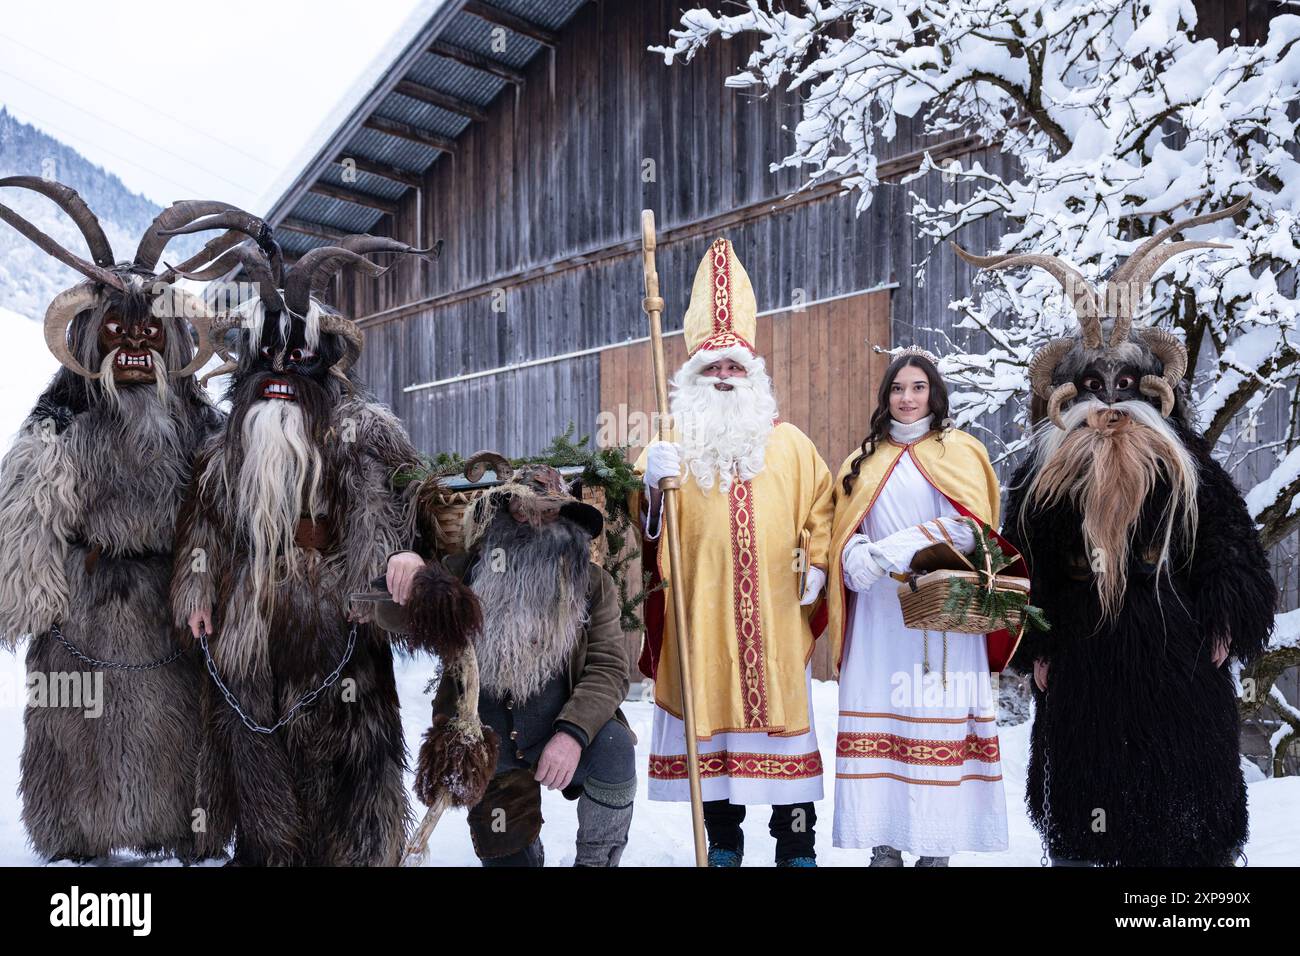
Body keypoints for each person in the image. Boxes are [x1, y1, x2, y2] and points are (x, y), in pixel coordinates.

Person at [954, 202, 1277, 866]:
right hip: (1083, 670)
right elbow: (1019, 566)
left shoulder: (1191, 468)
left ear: (1150, 385)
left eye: (1123, 383)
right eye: (1093, 384)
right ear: (1067, 391)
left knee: (1185, 824)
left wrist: (1225, 620)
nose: (1108, 399)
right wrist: (1031, 645)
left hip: (1176, 664)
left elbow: (1232, 551)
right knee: (1091, 822)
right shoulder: (1038, 481)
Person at [172, 234, 468, 865]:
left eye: (296, 358)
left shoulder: (363, 431)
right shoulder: (224, 450)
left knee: (350, 759)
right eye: (267, 359)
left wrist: (395, 562)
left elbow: (393, 508)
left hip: (337, 624)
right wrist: (196, 590)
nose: (280, 373)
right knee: (258, 760)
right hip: (250, 624)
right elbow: (204, 529)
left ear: (324, 363)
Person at [0, 180, 229, 862]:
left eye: (148, 328)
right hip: (83, 605)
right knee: (73, 724)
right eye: (118, 328)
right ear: (90, 335)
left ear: (173, 337)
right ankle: (77, 844)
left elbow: (225, 499)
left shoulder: (196, 419)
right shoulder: (64, 411)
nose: (134, 340)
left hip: (171, 608)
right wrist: (31, 585)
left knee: (175, 727)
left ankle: (175, 833)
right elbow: (26, 500)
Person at [633, 237, 834, 867]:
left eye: (734, 368)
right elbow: (639, 532)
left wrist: (819, 563)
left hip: (776, 618)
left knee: (786, 738)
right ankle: (721, 843)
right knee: (711, 729)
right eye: (712, 368)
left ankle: (796, 846)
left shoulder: (794, 445)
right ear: (692, 377)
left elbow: (824, 510)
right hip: (706, 620)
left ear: (755, 376)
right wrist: (648, 487)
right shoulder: (669, 447)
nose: (723, 377)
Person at [821, 348, 1020, 866]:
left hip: (941, 616)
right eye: (897, 389)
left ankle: (934, 849)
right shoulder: (860, 460)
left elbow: (973, 529)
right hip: (880, 619)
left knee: (936, 718)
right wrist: (854, 553)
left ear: (934, 393)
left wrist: (894, 548)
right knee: (886, 721)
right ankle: (885, 847)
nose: (906, 399)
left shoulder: (960, 451)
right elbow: (839, 529)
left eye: (917, 388)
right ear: (885, 397)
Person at [417, 464, 637, 866]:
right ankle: (524, 848)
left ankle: (595, 861)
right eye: (522, 509)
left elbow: (609, 668)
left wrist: (572, 734)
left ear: (566, 518)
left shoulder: (591, 584)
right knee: (509, 854)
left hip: (559, 731)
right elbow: (403, 615)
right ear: (506, 511)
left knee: (615, 749)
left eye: (548, 510)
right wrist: (406, 569)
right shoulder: (466, 573)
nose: (534, 520)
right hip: (489, 746)